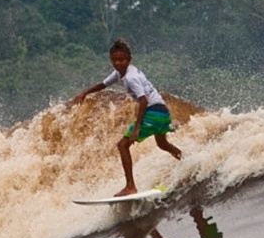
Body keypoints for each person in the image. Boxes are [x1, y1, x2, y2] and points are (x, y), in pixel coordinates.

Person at [71, 38, 183, 196]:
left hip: (153, 111)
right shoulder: (120, 73)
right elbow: (103, 84)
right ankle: (187, 161)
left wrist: (137, 128)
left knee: (123, 145)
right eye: (115, 60)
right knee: (163, 144)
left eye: (122, 60)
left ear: (129, 60)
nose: (118, 63)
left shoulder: (131, 77)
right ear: (111, 59)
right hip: (163, 112)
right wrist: (84, 93)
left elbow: (143, 100)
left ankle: (130, 186)